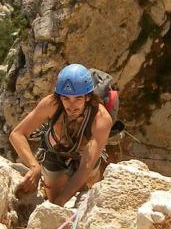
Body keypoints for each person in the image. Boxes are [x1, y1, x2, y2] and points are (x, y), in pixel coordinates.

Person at [10, 63, 113, 206]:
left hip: (86, 157)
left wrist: (60, 203)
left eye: (78, 99)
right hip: (55, 153)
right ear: (60, 97)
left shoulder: (100, 118)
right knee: (53, 199)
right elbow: (17, 134)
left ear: (88, 97)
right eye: (66, 99)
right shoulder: (51, 104)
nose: (71, 106)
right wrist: (34, 166)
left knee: (89, 194)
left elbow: (86, 166)